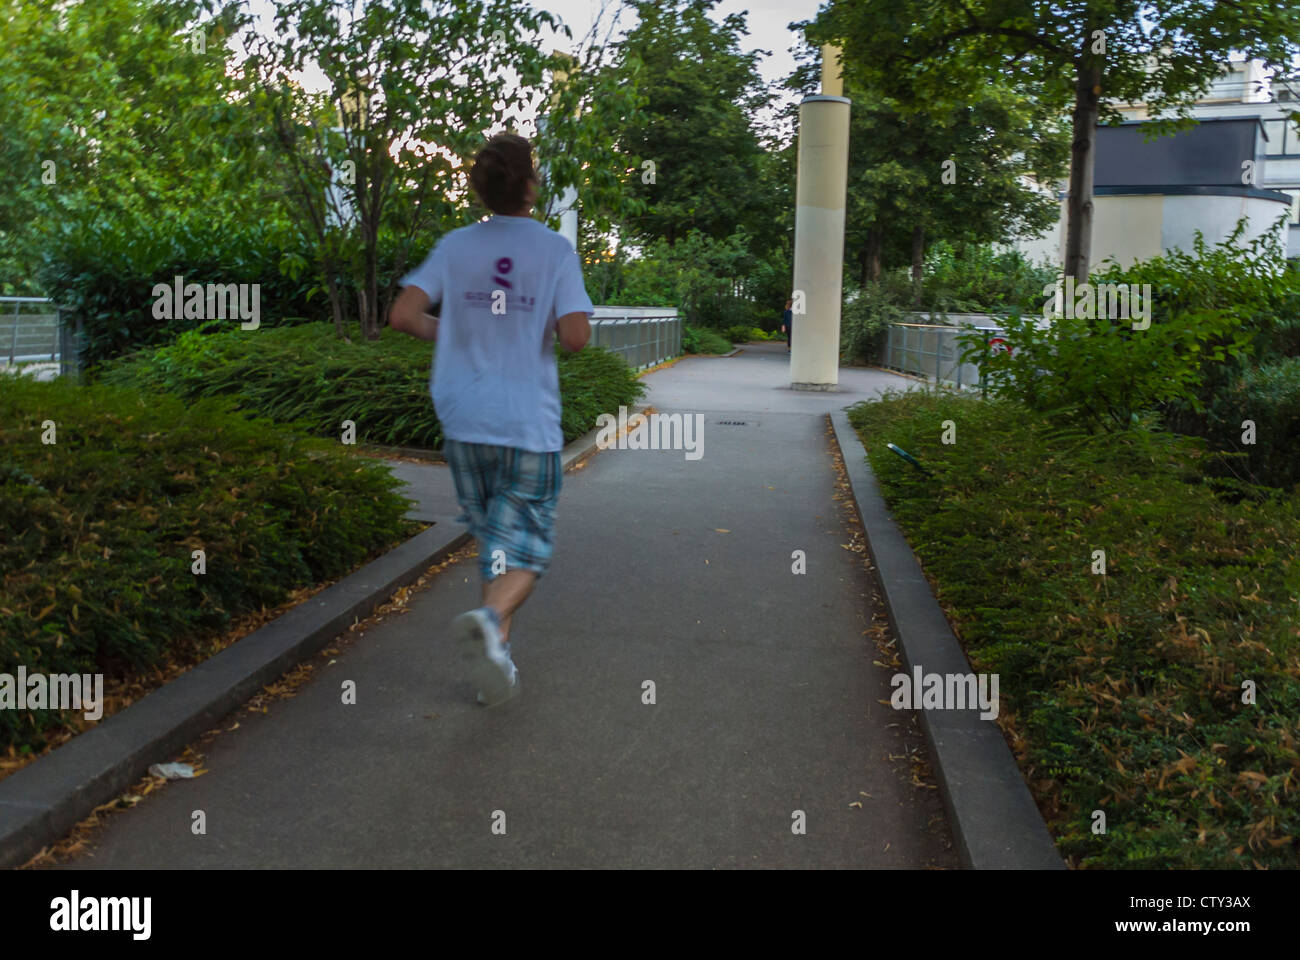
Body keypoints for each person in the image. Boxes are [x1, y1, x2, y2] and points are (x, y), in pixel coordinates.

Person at [388, 133, 593, 706]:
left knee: (494, 542)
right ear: (530, 186)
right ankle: (490, 615)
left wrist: (452, 331)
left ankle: (494, 659)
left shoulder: (456, 245)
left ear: (481, 188)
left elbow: (404, 314)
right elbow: (576, 337)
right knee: (528, 549)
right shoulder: (554, 250)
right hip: (525, 421)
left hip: (462, 417)